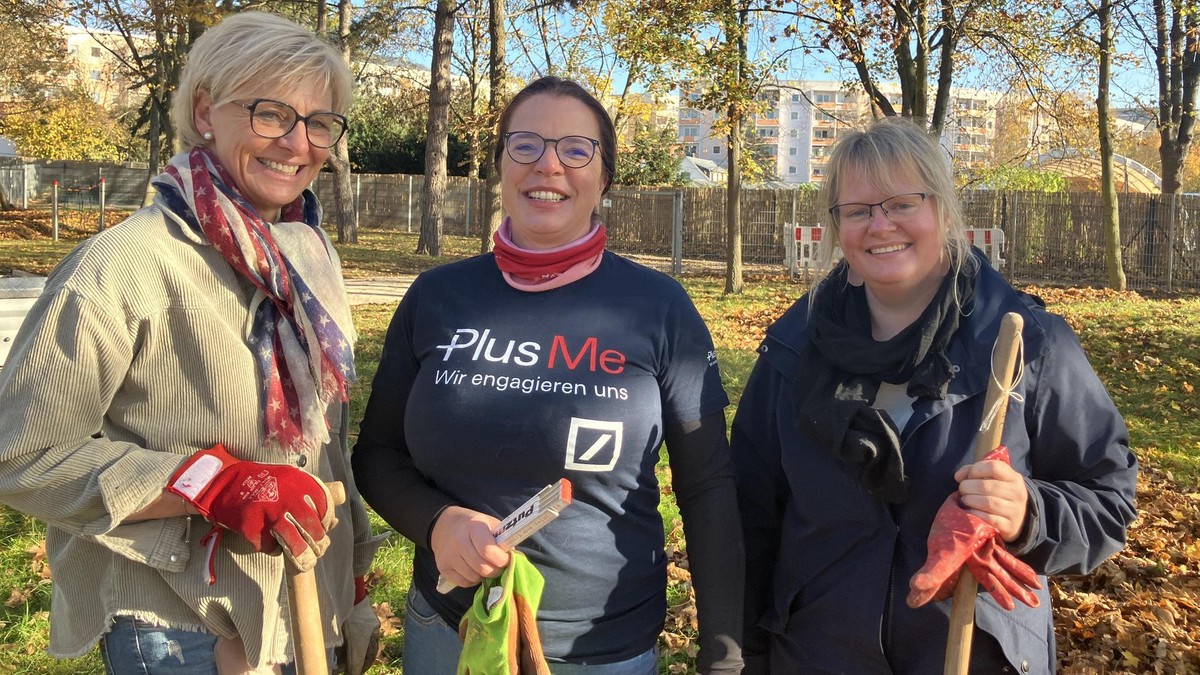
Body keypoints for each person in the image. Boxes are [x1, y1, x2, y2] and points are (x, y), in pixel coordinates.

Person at [0, 11, 385, 674]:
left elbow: (324, 443)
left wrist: (347, 576)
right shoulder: (124, 263)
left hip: (304, 613)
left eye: (319, 121)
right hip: (185, 632)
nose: (298, 143)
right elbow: (22, 456)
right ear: (206, 111)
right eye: (271, 113)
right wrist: (212, 482)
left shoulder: (310, 262)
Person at [352, 76, 744, 674]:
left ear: (604, 176)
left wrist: (724, 656)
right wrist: (437, 523)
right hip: (449, 628)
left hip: (601, 648)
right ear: (501, 164)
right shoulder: (437, 297)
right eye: (526, 145)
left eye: (576, 149)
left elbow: (709, 487)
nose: (548, 165)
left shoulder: (660, 308)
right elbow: (377, 455)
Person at [730, 117, 1138, 673]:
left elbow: (1109, 499)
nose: (879, 225)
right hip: (815, 651)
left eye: (901, 203)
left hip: (976, 653)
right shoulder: (793, 352)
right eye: (857, 210)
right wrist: (744, 655)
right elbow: (750, 518)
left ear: (943, 211)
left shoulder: (1026, 343)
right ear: (837, 226)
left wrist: (1028, 514)